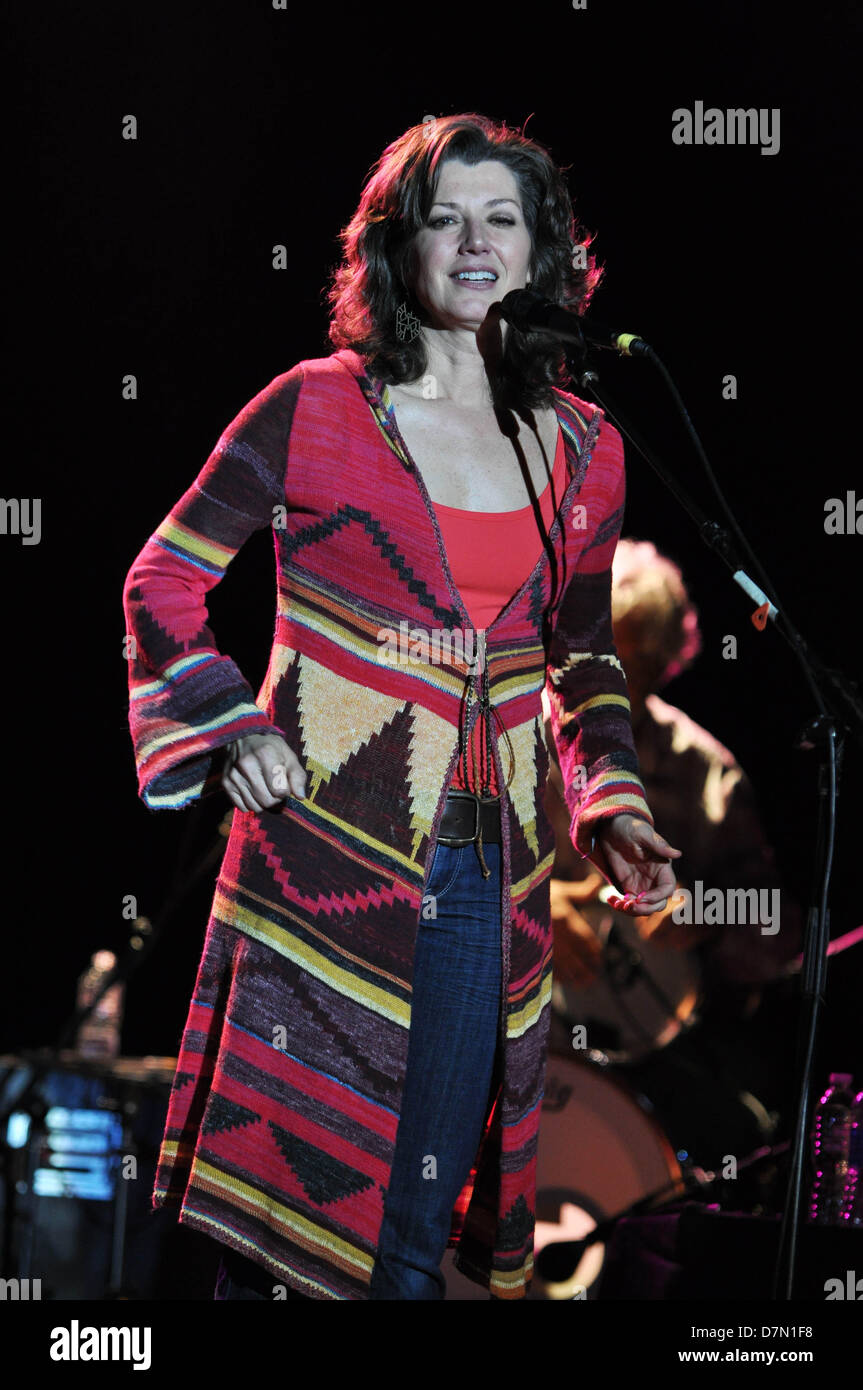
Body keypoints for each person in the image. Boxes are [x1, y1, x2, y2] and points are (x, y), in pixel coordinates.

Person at [122, 113, 680, 1302]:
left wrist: (612, 803)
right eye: (445, 218)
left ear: (541, 251)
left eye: (501, 219)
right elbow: (161, 579)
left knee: (409, 1241)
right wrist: (230, 724)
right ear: (398, 246)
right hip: (321, 855)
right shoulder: (313, 408)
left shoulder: (587, 452)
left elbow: (583, 656)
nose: (475, 242)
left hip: (487, 879)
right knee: (269, 1227)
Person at [543, 538, 802, 1174]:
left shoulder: (707, 773)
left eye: (638, 667)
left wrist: (706, 910)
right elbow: (424, 875)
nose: (615, 684)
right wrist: (533, 907)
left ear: (666, 666)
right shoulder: (516, 731)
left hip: (653, 1066)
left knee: (745, 1138)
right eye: (604, 659)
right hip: (514, 1036)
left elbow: (781, 927)